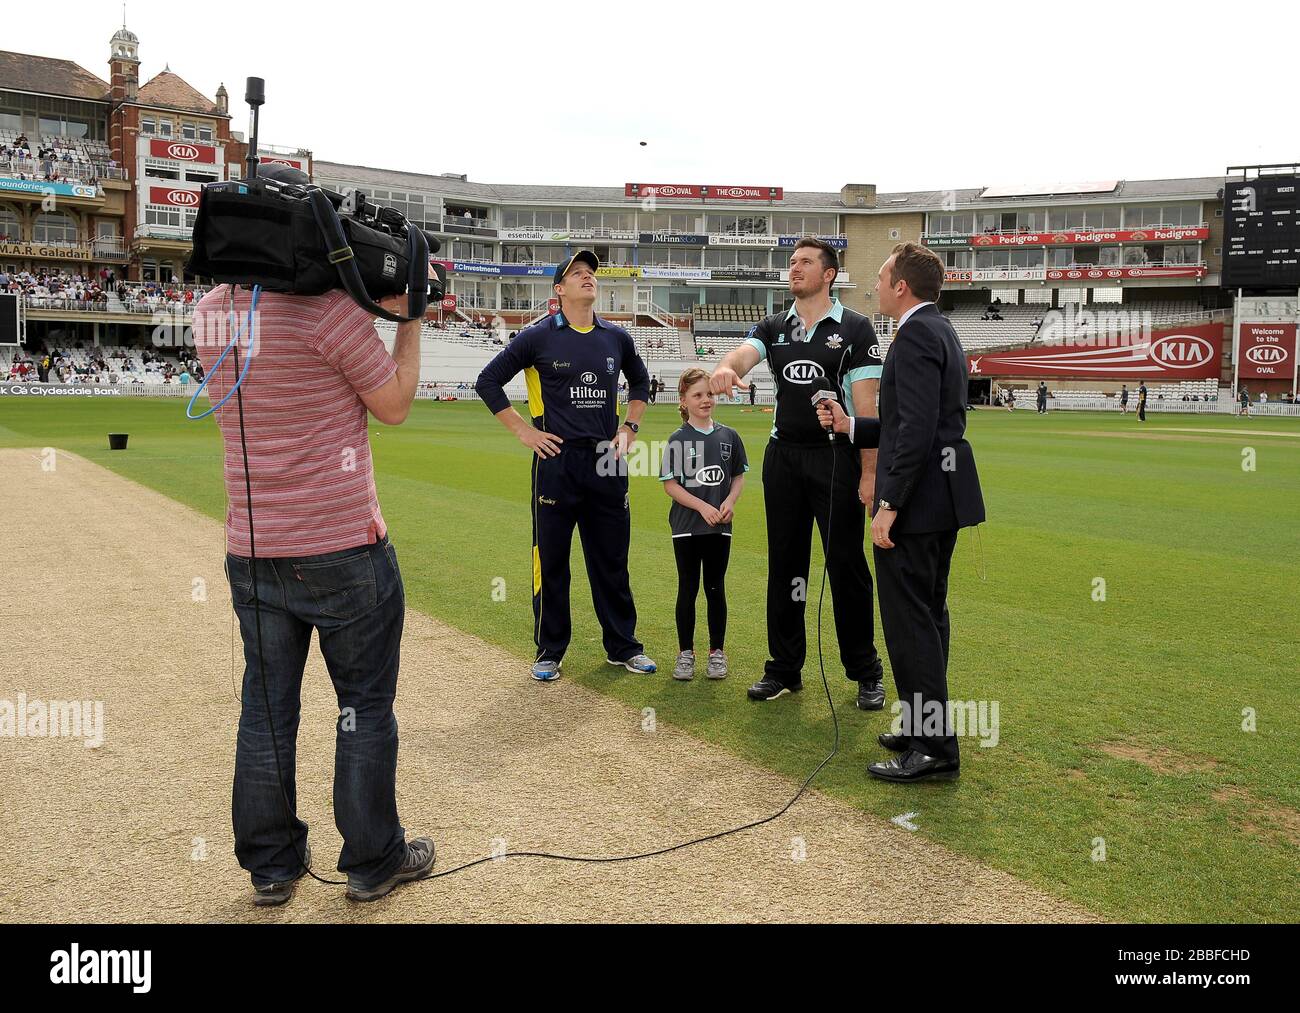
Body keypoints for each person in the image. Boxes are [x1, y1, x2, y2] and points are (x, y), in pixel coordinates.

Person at [193, 163, 436, 906]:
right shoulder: (332, 314)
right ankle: (371, 858)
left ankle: (271, 865)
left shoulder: (207, 311)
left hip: (254, 548)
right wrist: (410, 317)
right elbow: (393, 404)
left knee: (265, 711)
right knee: (363, 706)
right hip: (343, 548)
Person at [817, 243, 985, 783]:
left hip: (918, 502)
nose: (877, 284)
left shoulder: (914, 335)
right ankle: (921, 726)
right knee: (929, 617)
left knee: (912, 622)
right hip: (943, 495)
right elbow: (915, 423)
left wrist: (888, 505)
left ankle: (933, 748)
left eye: (884, 275)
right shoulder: (938, 329)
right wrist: (851, 426)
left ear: (902, 287)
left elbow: (913, 433)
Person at [709, 238, 886, 707]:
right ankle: (784, 669)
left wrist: (869, 476)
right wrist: (725, 369)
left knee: (846, 566)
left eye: (805, 262)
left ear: (828, 274)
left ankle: (865, 671)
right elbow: (739, 357)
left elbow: (867, 408)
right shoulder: (773, 326)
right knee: (785, 567)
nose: (795, 268)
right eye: (791, 262)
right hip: (783, 459)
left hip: (835, 460)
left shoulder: (855, 328)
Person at [475, 250, 657, 681]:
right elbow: (488, 381)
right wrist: (526, 432)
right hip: (556, 460)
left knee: (611, 560)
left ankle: (624, 647)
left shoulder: (616, 337)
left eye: (591, 273)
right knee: (552, 560)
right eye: (577, 274)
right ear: (559, 289)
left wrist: (629, 427)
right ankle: (550, 650)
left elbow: (641, 381)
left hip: (607, 460)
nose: (587, 278)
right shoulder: (537, 336)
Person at [660, 368, 747, 681]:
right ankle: (685, 653)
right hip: (686, 526)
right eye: (697, 395)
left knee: (715, 587)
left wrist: (729, 502)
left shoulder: (729, 436)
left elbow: (737, 476)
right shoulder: (677, 439)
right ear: (683, 399)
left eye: (709, 393)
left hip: (719, 527)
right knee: (688, 587)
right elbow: (670, 485)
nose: (705, 400)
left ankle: (716, 653)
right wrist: (702, 506)